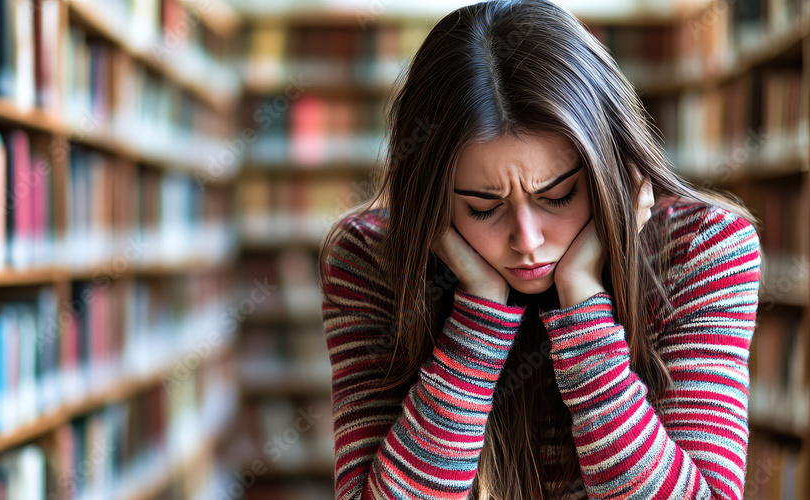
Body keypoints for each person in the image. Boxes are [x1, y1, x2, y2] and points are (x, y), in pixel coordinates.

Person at [318, 1, 763, 499]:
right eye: (483, 207)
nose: (527, 242)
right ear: (433, 203)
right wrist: (478, 321)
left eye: (557, 196)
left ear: (608, 170)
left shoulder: (702, 249)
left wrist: (583, 309)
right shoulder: (369, 258)